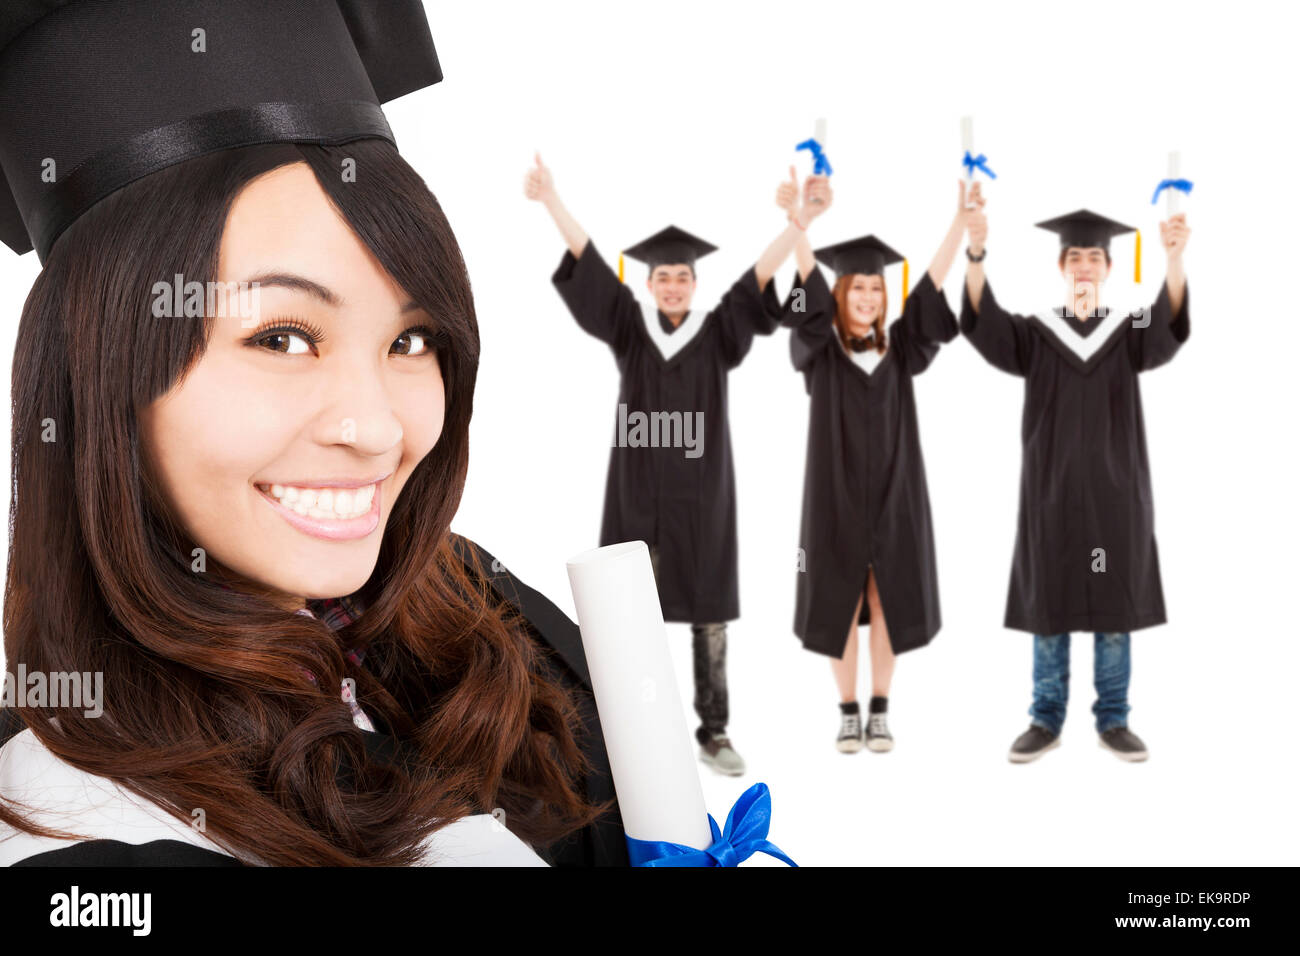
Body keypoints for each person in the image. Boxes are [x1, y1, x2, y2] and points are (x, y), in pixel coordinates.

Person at [0, 0, 627, 866]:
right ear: (97, 383)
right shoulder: (93, 841)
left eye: (412, 340)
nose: (374, 429)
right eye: (281, 338)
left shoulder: (493, 635)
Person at [526, 156, 828, 774]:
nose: (671, 285)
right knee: (628, 619)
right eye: (661, 276)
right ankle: (628, 732)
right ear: (649, 284)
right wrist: (553, 200)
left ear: (693, 285)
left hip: (701, 505)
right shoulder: (631, 332)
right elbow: (592, 267)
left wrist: (797, 227)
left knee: (709, 620)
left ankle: (714, 732)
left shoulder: (718, 334)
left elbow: (757, 281)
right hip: (637, 501)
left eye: (680, 278)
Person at [960, 185, 1191, 763]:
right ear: (1061, 267)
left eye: (1094, 257)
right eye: (1075, 258)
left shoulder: (1128, 331)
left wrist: (1174, 259)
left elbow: (1169, 327)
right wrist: (977, 252)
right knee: (1051, 606)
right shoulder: (1037, 335)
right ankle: (1045, 718)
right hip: (1052, 496)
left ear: (1109, 268)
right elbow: (984, 325)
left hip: (1115, 497)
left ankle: (1113, 720)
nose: (1085, 265)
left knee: (1114, 609)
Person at [776, 171, 967, 753]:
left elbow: (933, 285)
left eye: (876, 290)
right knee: (842, 598)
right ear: (840, 295)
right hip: (833, 499)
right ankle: (848, 710)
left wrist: (960, 222)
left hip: (896, 496)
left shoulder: (901, 348)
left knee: (887, 595)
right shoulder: (821, 353)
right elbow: (805, 284)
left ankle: (880, 708)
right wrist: (799, 225)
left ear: (886, 297)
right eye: (856, 289)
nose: (866, 297)